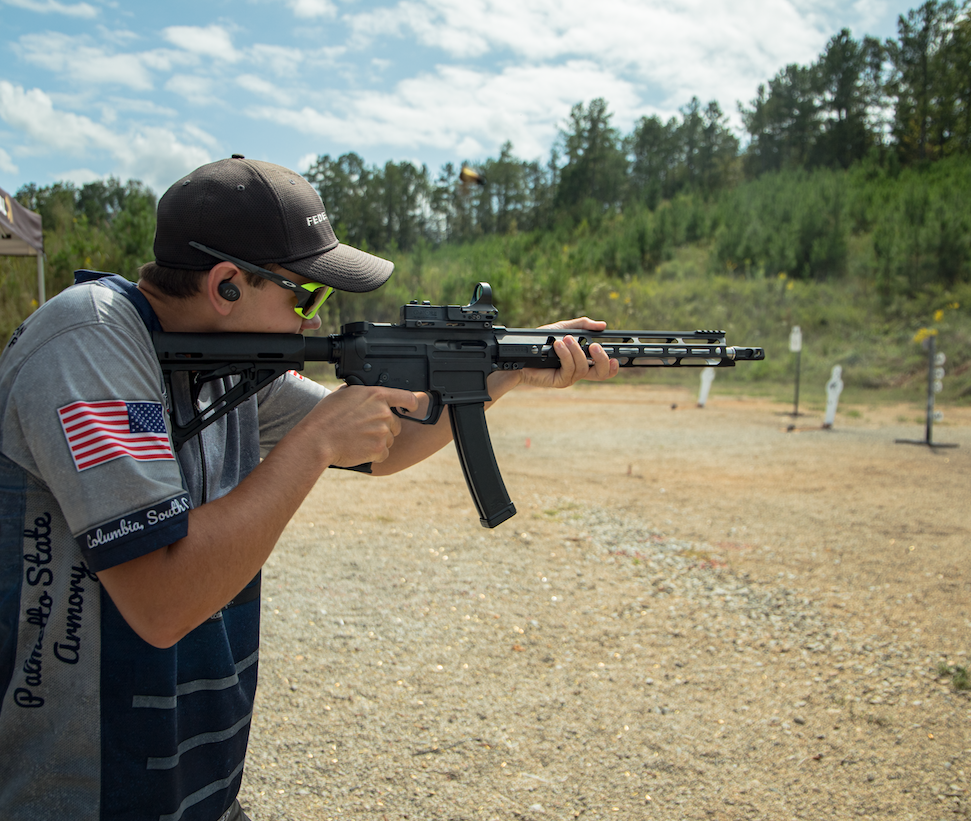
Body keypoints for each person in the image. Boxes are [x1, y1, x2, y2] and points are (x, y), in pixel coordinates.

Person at [0, 155, 619, 821]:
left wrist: (507, 369)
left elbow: (388, 447)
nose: (314, 322)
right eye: (308, 296)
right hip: (77, 794)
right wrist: (316, 439)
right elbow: (160, 599)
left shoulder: (231, 362)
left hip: (196, 788)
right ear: (227, 284)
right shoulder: (88, 338)